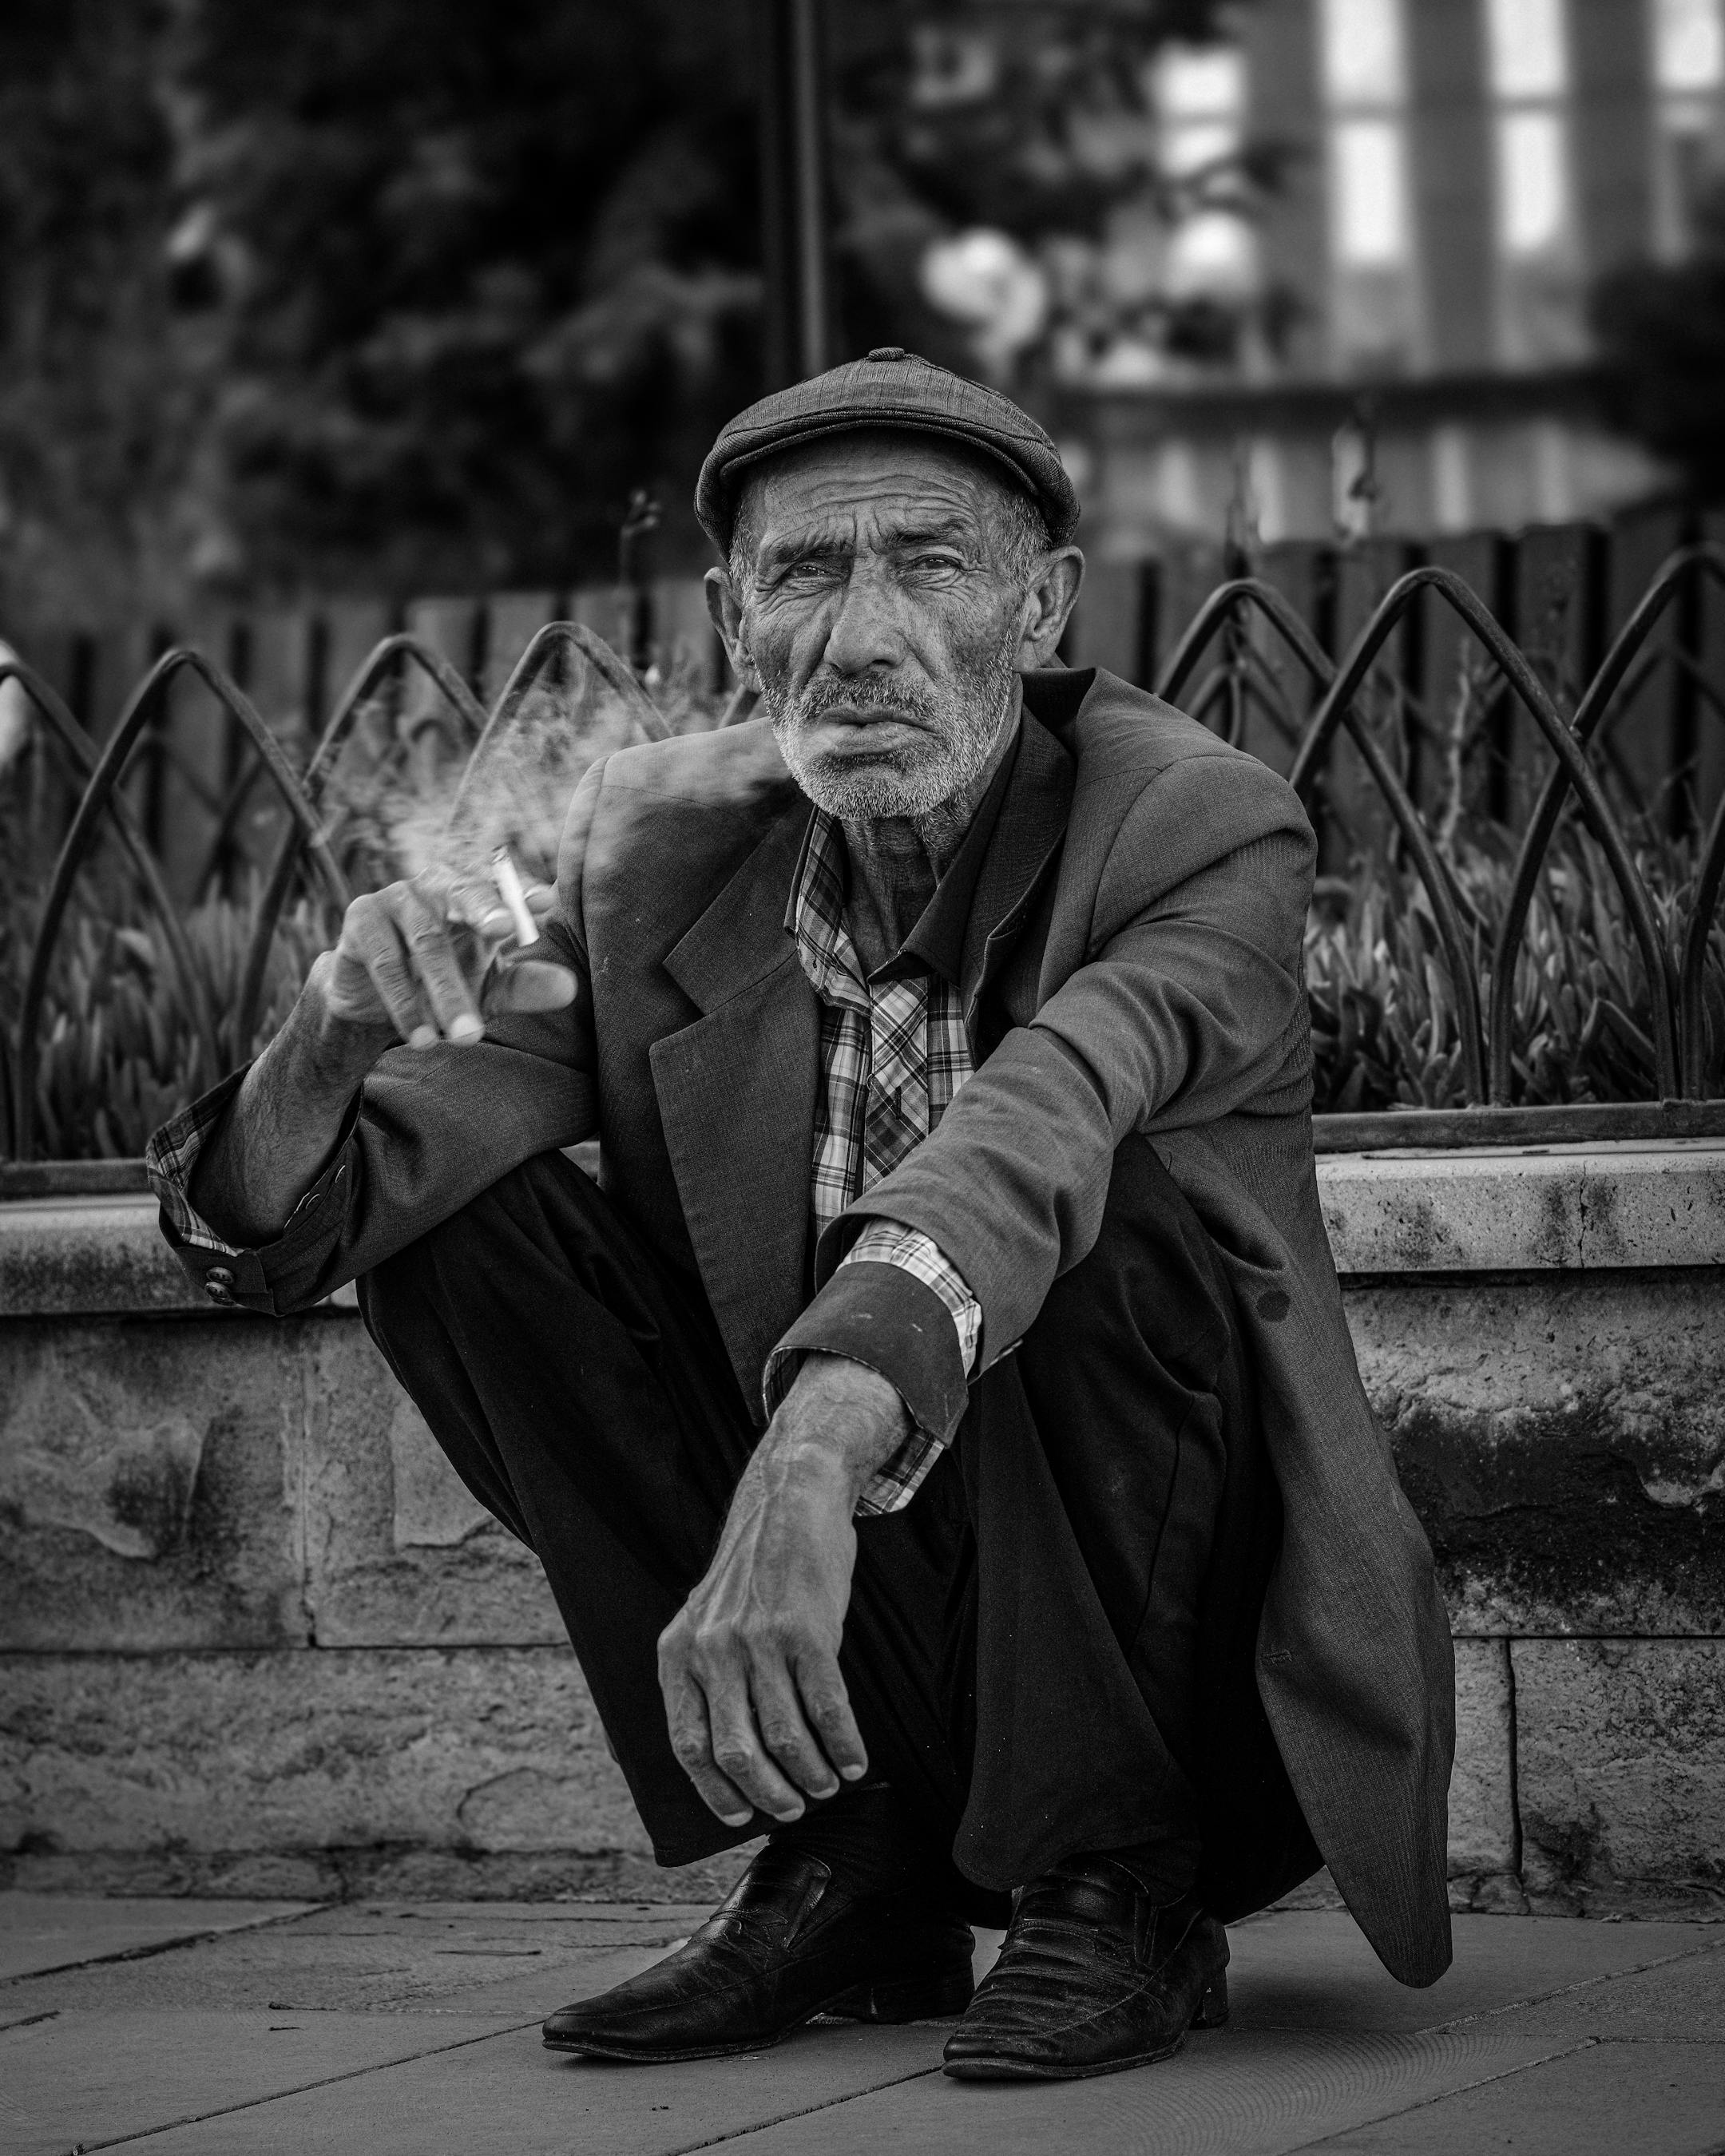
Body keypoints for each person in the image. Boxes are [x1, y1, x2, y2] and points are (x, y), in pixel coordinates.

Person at [147, 349, 1454, 2084]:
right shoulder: (665, 847)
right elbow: (311, 1218)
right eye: (805, 575)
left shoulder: (1192, 824)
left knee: (1113, 1203)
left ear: (1040, 606)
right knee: (469, 1224)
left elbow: (1036, 1127)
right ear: (730, 614)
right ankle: (850, 1857)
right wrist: (329, 1032)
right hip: (872, 1622)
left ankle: (1113, 1885)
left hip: (1178, 1662)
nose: (858, 638)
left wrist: (815, 1447)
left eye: (927, 566)